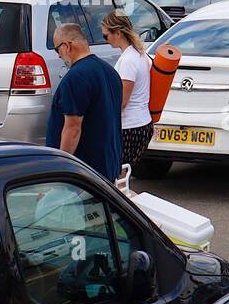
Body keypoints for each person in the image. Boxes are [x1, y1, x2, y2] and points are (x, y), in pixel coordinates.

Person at [46, 22, 123, 182]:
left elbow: (73, 129)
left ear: (67, 45)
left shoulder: (75, 78)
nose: (59, 55)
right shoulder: (110, 71)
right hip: (107, 167)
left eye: (57, 49)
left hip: (84, 172)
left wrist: (61, 169)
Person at [101, 11, 154, 170]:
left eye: (106, 36)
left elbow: (122, 101)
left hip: (130, 127)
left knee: (117, 175)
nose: (106, 40)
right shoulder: (139, 54)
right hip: (141, 123)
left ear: (117, 33)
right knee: (123, 176)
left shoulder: (128, 60)